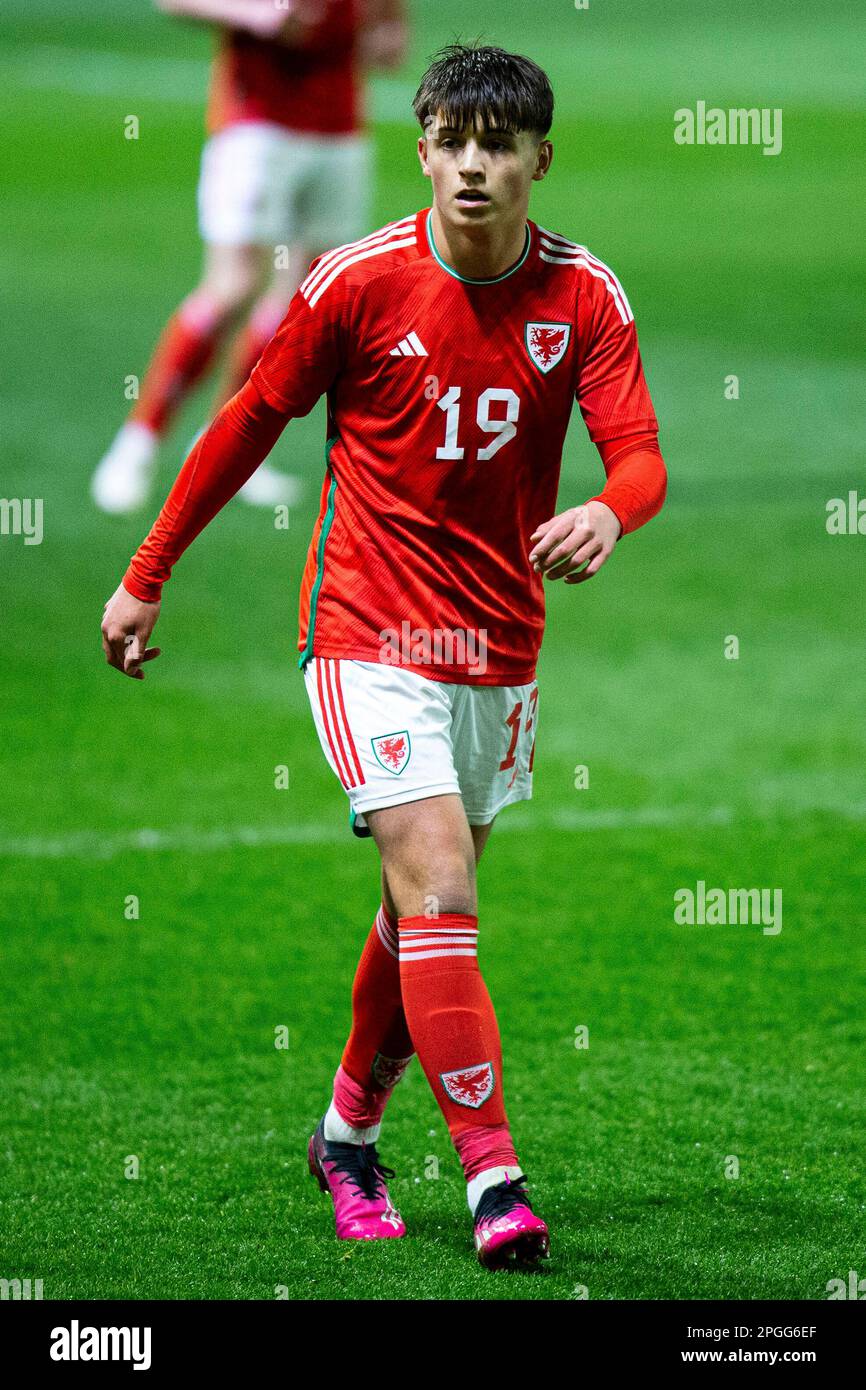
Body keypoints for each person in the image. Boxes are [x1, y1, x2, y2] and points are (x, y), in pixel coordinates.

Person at [101, 42, 667, 1270]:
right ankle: (494, 1182)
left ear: (535, 161)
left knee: (414, 911)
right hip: (366, 633)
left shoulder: (585, 298)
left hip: (497, 646)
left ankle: (345, 1133)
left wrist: (609, 511)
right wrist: (147, 572)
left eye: (498, 146)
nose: (473, 165)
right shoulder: (355, 283)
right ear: (421, 151)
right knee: (441, 884)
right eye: (452, 142)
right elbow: (249, 420)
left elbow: (638, 456)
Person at [92, 0, 406, 513]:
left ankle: (223, 445)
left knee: (304, 300)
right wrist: (255, 15)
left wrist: (388, 38)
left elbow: (389, 25)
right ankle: (139, 442)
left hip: (340, 130)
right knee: (233, 288)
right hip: (256, 124)